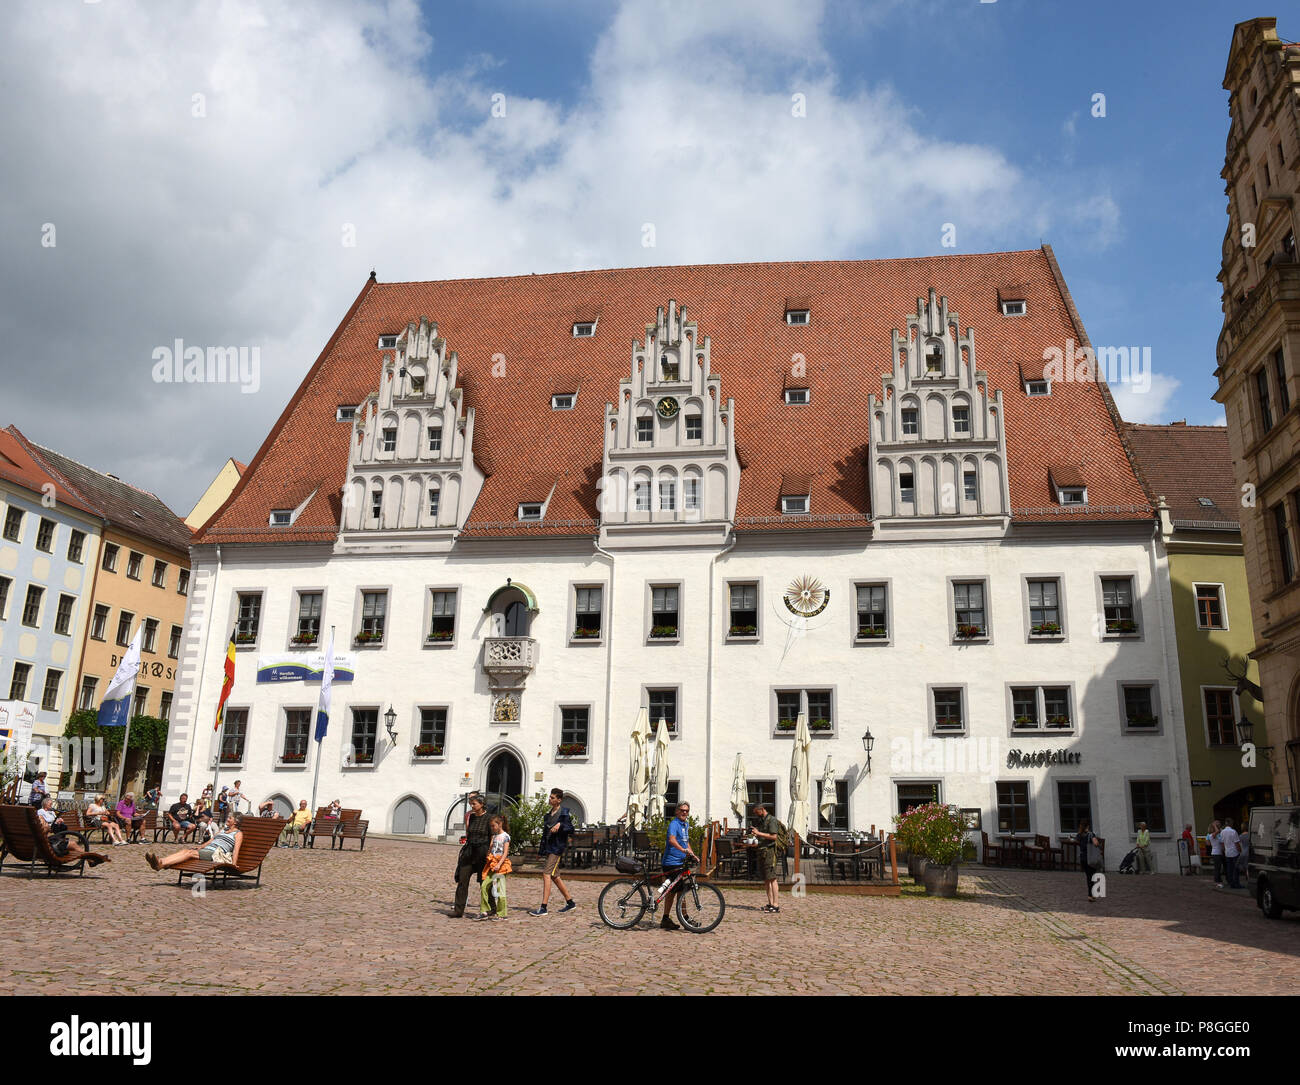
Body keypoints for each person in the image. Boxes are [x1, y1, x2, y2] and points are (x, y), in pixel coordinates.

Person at [528, 788, 576, 916]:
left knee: (546, 873)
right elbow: (544, 835)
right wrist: (540, 851)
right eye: (550, 797)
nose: (550, 799)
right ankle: (570, 902)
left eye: (553, 797)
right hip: (549, 848)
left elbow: (571, 829)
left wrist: (560, 825)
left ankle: (543, 907)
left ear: (559, 800)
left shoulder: (564, 813)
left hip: (557, 849)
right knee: (555, 877)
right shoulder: (548, 815)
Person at [146, 813, 244, 872]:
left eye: (230, 818)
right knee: (185, 850)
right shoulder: (223, 830)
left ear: (235, 822)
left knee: (189, 853)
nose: (228, 819)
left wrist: (234, 864)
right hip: (207, 850)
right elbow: (211, 840)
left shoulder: (238, 834)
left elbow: (236, 849)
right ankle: (161, 862)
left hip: (216, 854)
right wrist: (201, 847)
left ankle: (160, 864)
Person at [658, 801, 700, 931]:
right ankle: (685, 919)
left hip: (679, 863)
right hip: (671, 863)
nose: (684, 813)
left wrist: (692, 854)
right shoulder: (674, 824)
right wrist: (683, 850)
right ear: (677, 811)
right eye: (682, 810)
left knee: (673, 891)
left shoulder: (685, 825)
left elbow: (685, 842)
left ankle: (666, 918)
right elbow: (672, 839)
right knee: (679, 890)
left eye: (686, 811)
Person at [34, 803, 110, 868]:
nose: (46, 824)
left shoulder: (30, 833)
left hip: (37, 848)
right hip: (46, 848)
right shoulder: (40, 832)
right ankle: (91, 859)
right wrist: (47, 828)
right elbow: (45, 830)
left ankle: (91, 859)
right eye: (44, 823)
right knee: (72, 844)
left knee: (67, 842)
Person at [454, 795, 493, 917]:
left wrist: (490, 851)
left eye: (474, 803)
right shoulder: (471, 817)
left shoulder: (489, 818)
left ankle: (492, 908)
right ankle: (458, 910)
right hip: (469, 852)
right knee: (462, 879)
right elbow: (468, 832)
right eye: (471, 803)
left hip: (483, 852)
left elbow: (492, 836)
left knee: (484, 882)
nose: (472, 806)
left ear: (482, 804)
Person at [477, 813, 512, 920]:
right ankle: (484, 911)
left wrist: (499, 864)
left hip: (501, 865)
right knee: (484, 886)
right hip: (491, 864)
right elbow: (491, 849)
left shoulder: (506, 837)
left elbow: (505, 852)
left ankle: (502, 914)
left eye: (493, 826)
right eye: (491, 826)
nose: (492, 828)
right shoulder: (494, 836)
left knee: (500, 890)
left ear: (500, 824)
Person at [749, 801, 782, 914]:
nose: (755, 814)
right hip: (762, 851)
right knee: (766, 879)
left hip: (770, 852)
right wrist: (756, 835)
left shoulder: (771, 820)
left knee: (772, 878)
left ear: (761, 809)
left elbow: (774, 837)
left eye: (756, 812)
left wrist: (759, 833)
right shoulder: (762, 820)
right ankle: (770, 903)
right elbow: (763, 836)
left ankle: (776, 905)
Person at [1077, 819, 1103, 902]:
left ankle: (1091, 894)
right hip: (1090, 858)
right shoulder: (1091, 834)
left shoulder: (1079, 835)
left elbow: (1078, 842)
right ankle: (1090, 895)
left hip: (1083, 858)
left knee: (1088, 876)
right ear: (1088, 826)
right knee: (1091, 877)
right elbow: (1096, 843)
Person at [1220, 818, 1242, 889]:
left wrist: (1224, 850)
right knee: (1236, 868)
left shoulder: (1222, 832)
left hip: (1227, 852)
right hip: (1234, 852)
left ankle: (1231, 883)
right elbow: (1236, 843)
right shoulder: (1233, 831)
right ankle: (1236, 884)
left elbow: (1222, 843)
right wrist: (1240, 851)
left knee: (1229, 869)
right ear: (1231, 823)